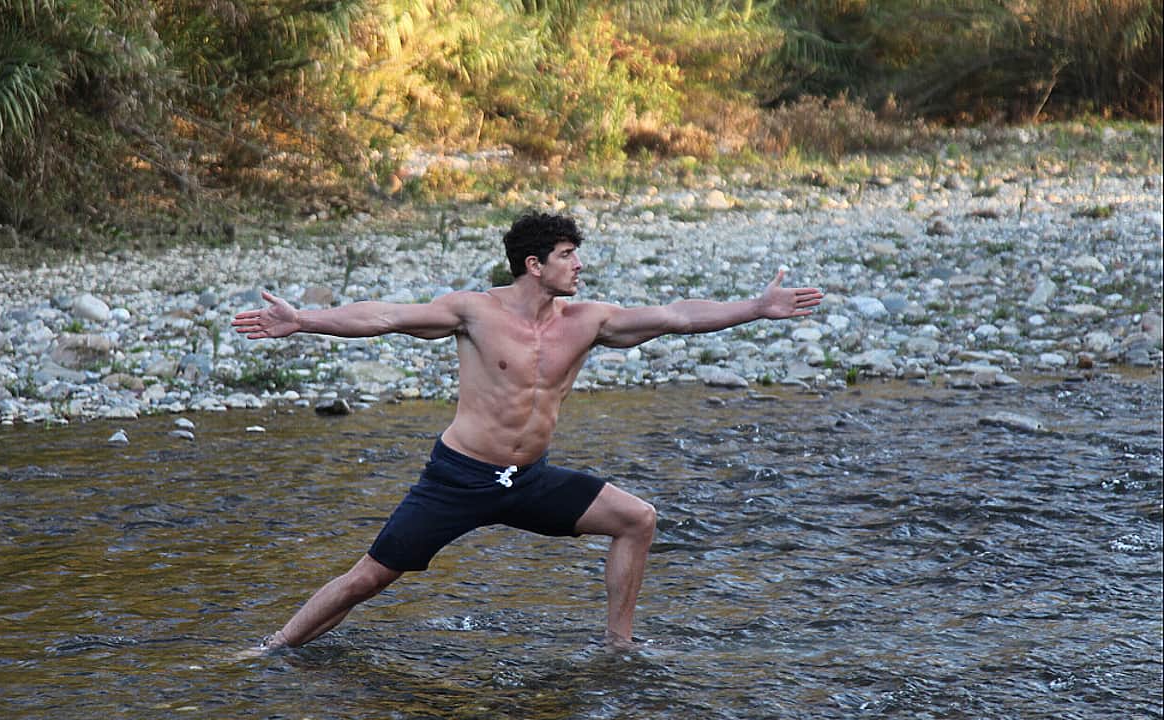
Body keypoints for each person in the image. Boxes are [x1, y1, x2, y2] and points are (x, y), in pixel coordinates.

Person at [231, 212, 823, 651]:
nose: (579, 265)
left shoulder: (590, 321)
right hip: (459, 479)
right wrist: (303, 320)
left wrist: (754, 307)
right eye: (568, 254)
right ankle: (273, 648)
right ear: (534, 265)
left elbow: (675, 317)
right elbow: (385, 315)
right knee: (369, 579)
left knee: (636, 519)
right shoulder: (474, 312)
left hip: (529, 480)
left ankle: (619, 647)